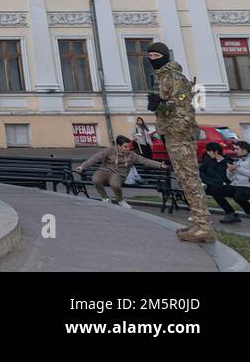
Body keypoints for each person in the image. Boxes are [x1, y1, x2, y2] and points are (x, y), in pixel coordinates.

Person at [147, 42, 214, 242]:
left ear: (165, 56)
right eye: (149, 56)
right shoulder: (163, 77)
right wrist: (159, 105)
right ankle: (198, 222)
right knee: (185, 179)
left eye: (156, 55)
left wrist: (162, 105)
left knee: (190, 179)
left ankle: (204, 226)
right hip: (172, 133)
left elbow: (183, 100)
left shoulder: (175, 77)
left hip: (180, 133)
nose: (152, 59)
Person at [74, 135, 166, 207]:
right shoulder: (109, 150)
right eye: (125, 147)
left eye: (128, 147)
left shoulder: (131, 155)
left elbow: (145, 161)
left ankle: (120, 200)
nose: (128, 149)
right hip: (104, 170)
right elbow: (95, 158)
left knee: (114, 184)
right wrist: (82, 166)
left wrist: (159, 165)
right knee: (96, 179)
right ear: (118, 146)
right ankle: (105, 198)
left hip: (119, 174)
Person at [199, 142, 247, 223]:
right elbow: (200, 172)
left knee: (238, 195)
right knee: (213, 190)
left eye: (209, 151)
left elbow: (230, 177)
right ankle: (231, 214)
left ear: (215, 152)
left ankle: (231, 214)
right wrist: (208, 182)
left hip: (231, 186)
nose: (207, 153)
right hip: (213, 186)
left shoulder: (228, 162)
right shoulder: (209, 162)